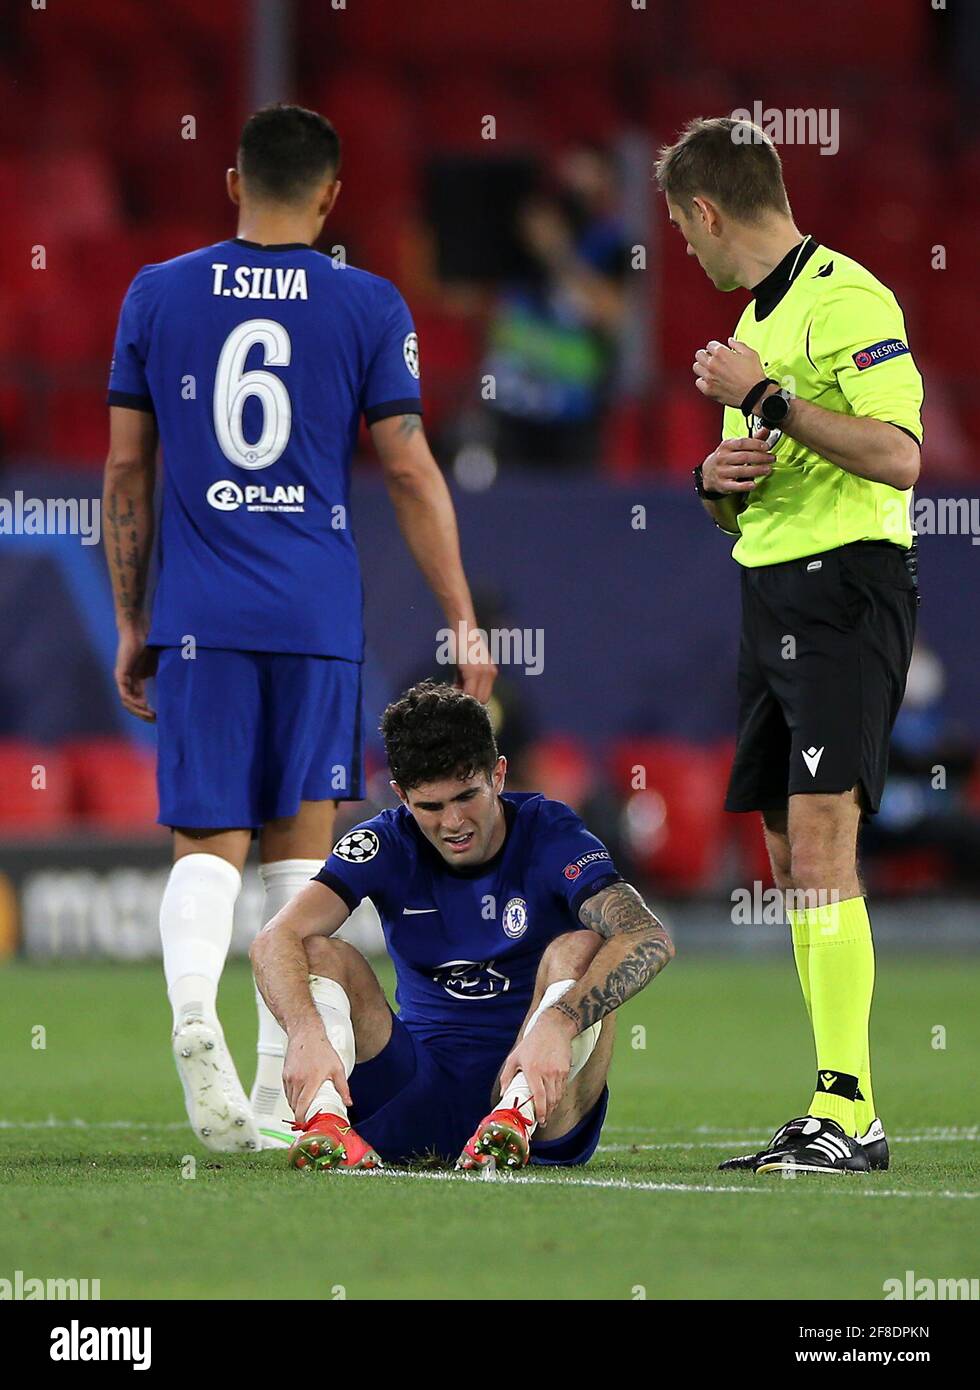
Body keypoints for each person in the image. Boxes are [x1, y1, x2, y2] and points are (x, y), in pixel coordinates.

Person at [102, 104, 495, 1154]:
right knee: (299, 858)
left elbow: (125, 470)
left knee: (205, 843)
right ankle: (286, 1087)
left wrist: (133, 617)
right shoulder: (366, 303)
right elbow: (409, 466)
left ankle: (196, 1017)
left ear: (233, 181)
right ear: (330, 195)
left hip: (199, 612)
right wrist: (462, 617)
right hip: (313, 610)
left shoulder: (158, 290)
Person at [655, 117, 923, 1175]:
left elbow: (898, 456)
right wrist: (712, 486)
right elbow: (756, 486)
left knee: (819, 840)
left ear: (709, 211)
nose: (683, 248)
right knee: (786, 855)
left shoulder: (846, 299)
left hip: (844, 592)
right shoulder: (755, 323)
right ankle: (832, 1100)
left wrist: (763, 399)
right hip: (769, 594)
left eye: (682, 228)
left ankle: (846, 1108)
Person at [250, 681, 673, 1172]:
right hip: (412, 1094)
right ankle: (326, 1124)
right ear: (401, 795)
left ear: (498, 774)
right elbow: (274, 937)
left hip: (542, 1098)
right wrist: (304, 1031)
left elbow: (648, 935)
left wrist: (560, 1024)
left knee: (579, 947)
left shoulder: (551, 835)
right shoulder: (382, 843)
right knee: (321, 952)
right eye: (430, 806)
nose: (453, 822)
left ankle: (513, 1115)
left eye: (466, 796)